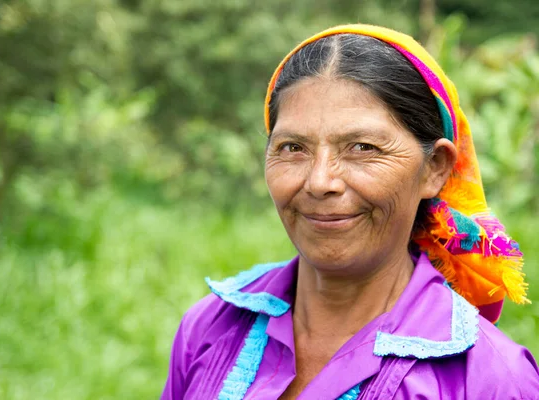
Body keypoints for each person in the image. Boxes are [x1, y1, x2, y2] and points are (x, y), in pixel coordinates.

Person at [161, 24, 539, 399]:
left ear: (434, 168)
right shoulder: (210, 327)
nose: (320, 181)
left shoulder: (491, 379)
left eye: (362, 147)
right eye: (293, 148)